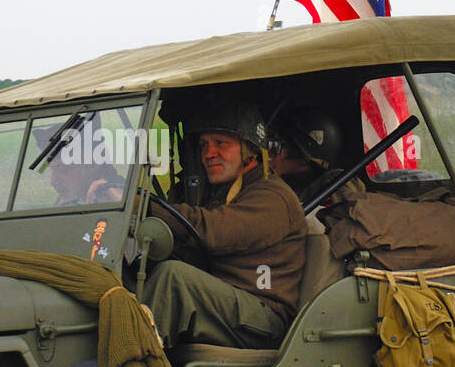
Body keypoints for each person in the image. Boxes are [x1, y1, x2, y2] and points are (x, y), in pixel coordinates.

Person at [144, 102, 306, 350]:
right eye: (204, 146)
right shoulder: (213, 193)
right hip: (229, 308)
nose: (209, 154)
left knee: (173, 277)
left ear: (248, 148)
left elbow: (213, 232)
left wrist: (145, 205)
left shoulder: (272, 196)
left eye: (221, 143)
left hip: (262, 317)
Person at [271, 107, 342, 207]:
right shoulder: (280, 184)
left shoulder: (322, 195)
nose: (269, 154)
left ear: (304, 159)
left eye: (276, 147)